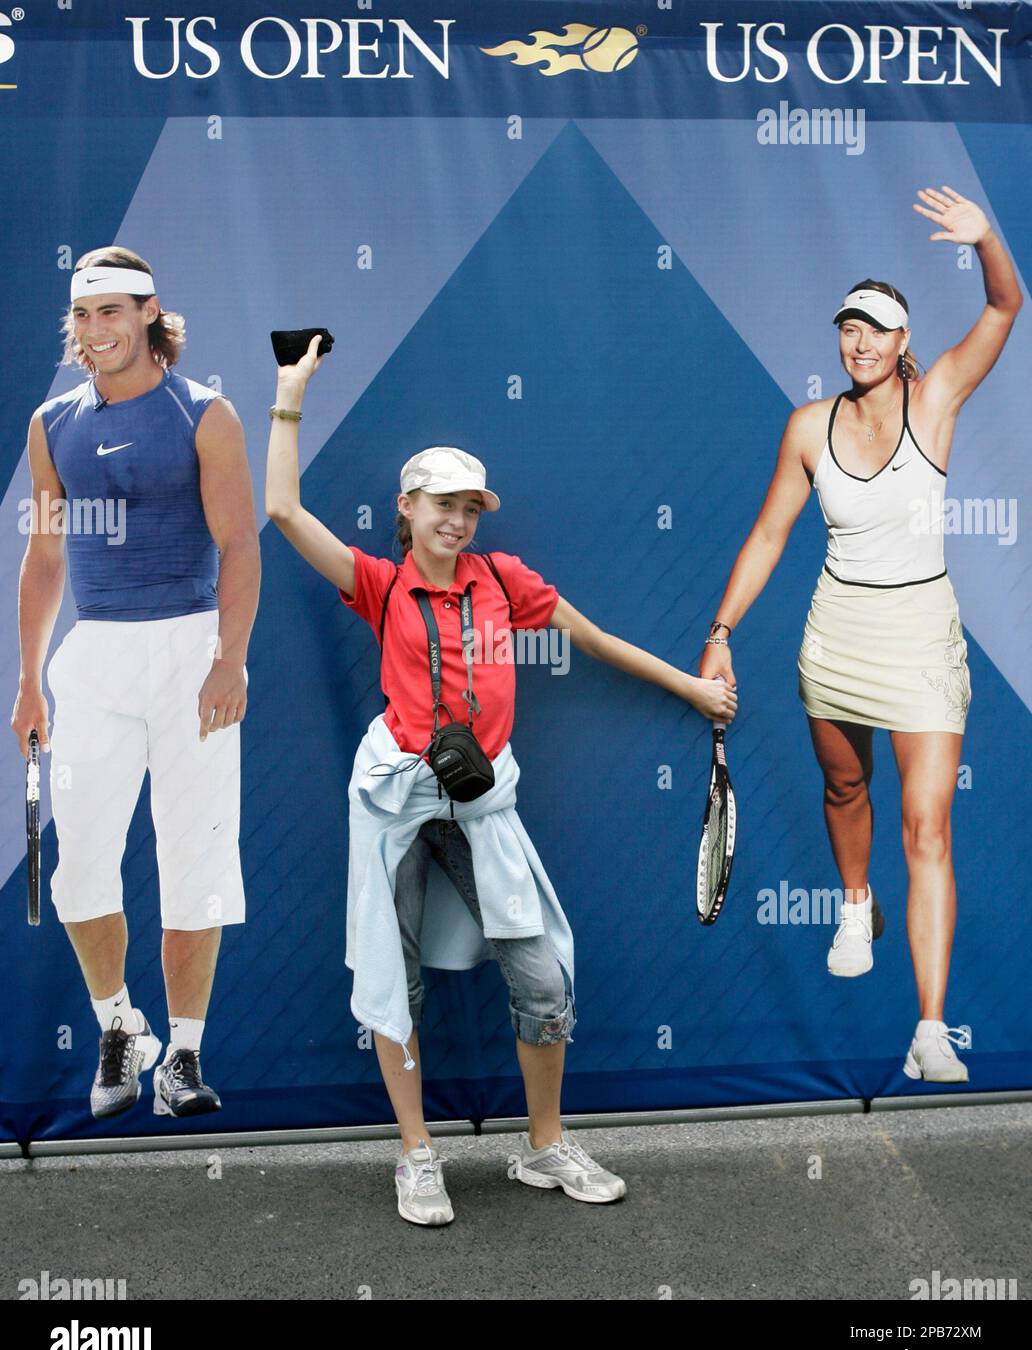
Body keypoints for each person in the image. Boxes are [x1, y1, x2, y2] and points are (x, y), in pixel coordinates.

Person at [265, 335, 737, 1225]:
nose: (459, 520)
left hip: (483, 804)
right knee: (391, 979)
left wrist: (693, 688)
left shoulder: (501, 581)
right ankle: (415, 1155)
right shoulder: (378, 584)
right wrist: (289, 395)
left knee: (544, 979)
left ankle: (544, 1147)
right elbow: (284, 510)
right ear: (406, 507)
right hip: (399, 803)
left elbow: (592, 641)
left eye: (471, 507)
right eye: (444, 504)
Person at [699, 187, 1022, 1085]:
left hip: (921, 634)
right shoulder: (809, 425)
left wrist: (985, 238)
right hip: (836, 633)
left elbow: (1005, 306)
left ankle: (928, 1027)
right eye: (850, 328)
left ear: (904, 340)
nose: (862, 341)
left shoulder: (941, 397)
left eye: (878, 328)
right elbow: (769, 535)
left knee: (926, 826)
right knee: (846, 789)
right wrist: (722, 629)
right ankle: (852, 904)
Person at [10, 247, 260, 1120]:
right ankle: (120, 1026)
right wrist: (29, 681)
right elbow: (45, 558)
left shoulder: (207, 414)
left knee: (195, 859)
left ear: (150, 314)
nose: (95, 331)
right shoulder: (52, 425)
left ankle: (183, 1055)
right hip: (96, 657)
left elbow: (239, 545)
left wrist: (229, 659)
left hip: (193, 651)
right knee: (80, 867)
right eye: (82, 315)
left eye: (111, 311)